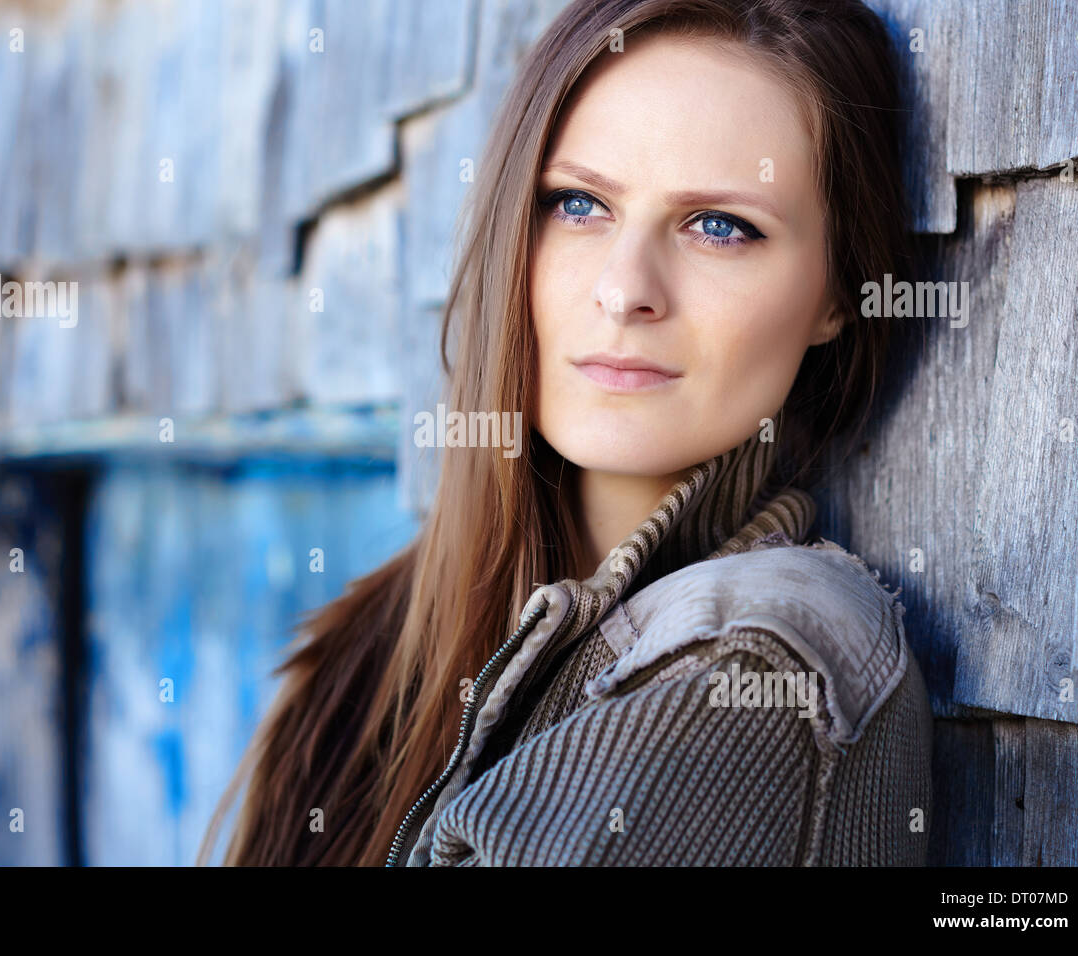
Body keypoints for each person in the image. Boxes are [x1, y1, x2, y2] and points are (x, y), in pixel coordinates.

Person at [201, 0, 933, 867]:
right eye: (579, 204)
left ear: (839, 295)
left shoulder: (762, 663)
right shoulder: (375, 648)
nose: (625, 290)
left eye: (720, 227)